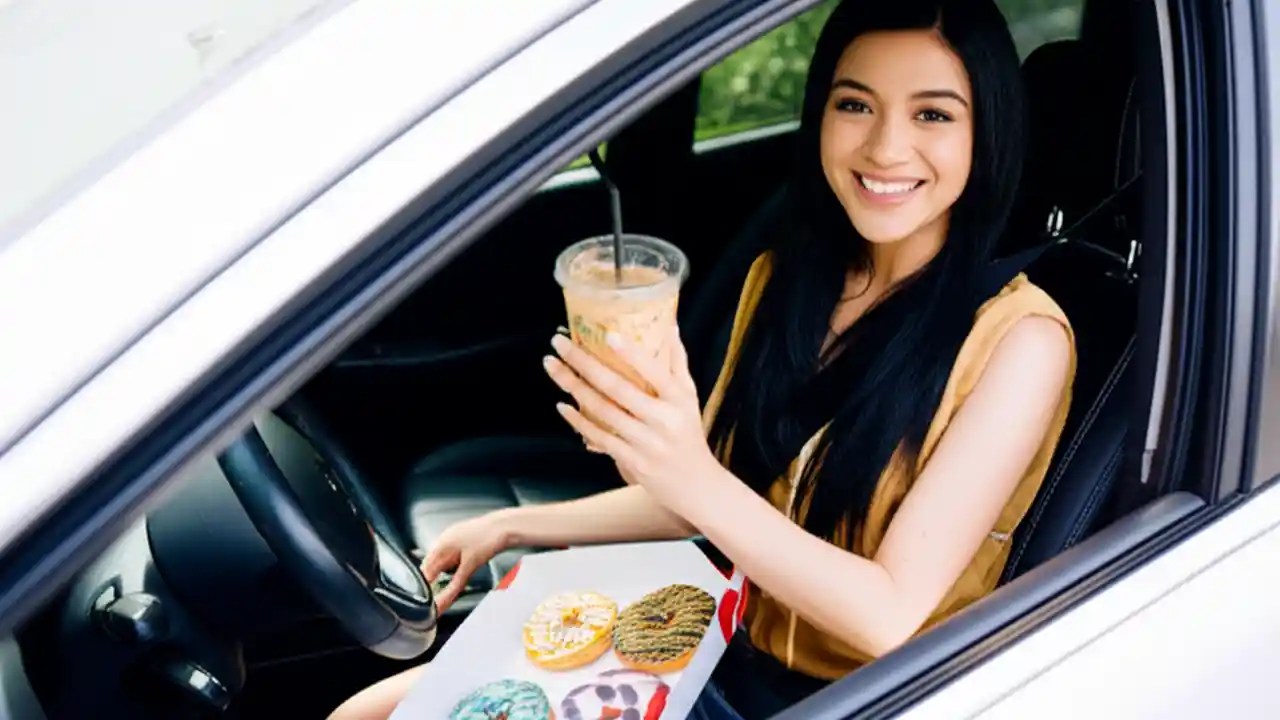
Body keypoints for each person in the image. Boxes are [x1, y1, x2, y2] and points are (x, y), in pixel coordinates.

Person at [328, 0, 1075, 717]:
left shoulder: (1021, 342)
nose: (884, 147)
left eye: (933, 115)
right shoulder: (786, 278)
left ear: (988, 134)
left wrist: (682, 467)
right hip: (713, 646)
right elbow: (711, 490)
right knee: (368, 711)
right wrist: (517, 526)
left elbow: (886, 614)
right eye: (855, 105)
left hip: (854, 700)